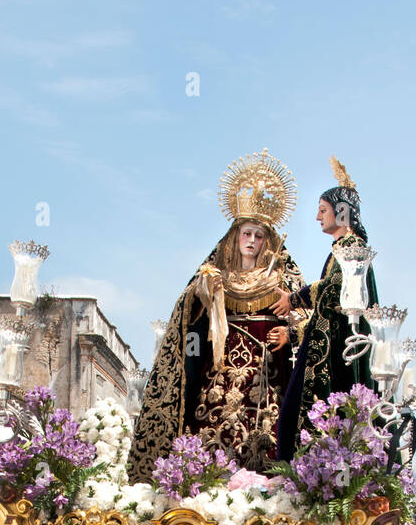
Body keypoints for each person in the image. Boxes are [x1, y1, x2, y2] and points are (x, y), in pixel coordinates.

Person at [130, 150, 307, 478]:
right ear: (235, 237)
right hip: (217, 381)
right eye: (246, 234)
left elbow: (310, 318)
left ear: (267, 241)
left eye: (258, 235)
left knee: (267, 453)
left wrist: (290, 331)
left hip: (266, 382)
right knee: (210, 456)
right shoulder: (215, 273)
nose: (251, 241)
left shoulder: (282, 275)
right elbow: (188, 317)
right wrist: (202, 291)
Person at [274, 156, 378, 460]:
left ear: (341, 211)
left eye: (323, 210)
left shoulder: (351, 249)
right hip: (335, 345)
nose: (318, 217)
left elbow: (334, 290)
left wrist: (294, 299)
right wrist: (295, 334)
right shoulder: (340, 249)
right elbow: (327, 314)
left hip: (343, 352)